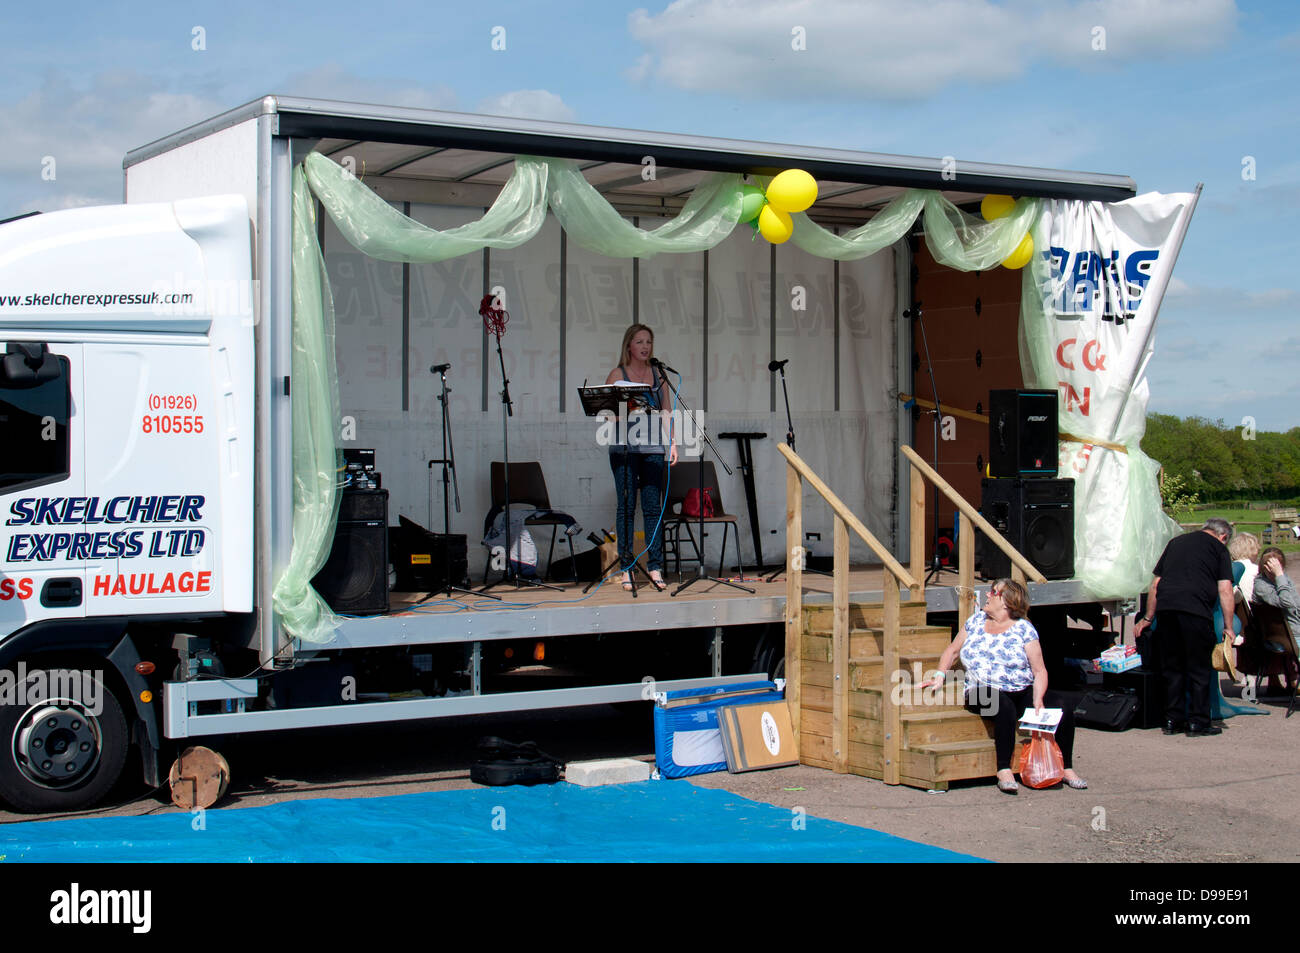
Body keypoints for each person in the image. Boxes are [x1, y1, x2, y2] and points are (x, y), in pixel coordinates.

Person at [922, 579, 1086, 794]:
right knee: (1003, 705)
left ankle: (1066, 768)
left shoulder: (1024, 629)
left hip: (1020, 688)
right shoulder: (975, 621)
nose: (988, 595)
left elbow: (1039, 671)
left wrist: (1038, 699)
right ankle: (1004, 769)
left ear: (1007, 602)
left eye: (993, 593)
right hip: (981, 690)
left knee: (1062, 705)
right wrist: (939, 674)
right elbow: (952, 651)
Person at [1134, 518, 1234, 737]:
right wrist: (1229, 626)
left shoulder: (1176, 543)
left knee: (1173, 668)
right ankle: (1198, 722)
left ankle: (1172, 719)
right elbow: (1225, 589)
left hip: (1167, 610)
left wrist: (1148, 618)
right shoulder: (1219, 549)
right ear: (1224, 536)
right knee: (1199, 670)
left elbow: (1156, 584)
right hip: (1196, 612)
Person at [604, 324, 677, 592]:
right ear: (629, 346)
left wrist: (673, 442)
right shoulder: (617, 374)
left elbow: (667, 410)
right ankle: (627, 568)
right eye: (639, 342)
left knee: (652, 508)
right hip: (624, 449)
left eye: (648, 341)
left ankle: (655, 566)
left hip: (653, 448)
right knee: (626, 508)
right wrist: (622, 409)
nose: (645, 346)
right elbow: (607, 415)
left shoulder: (658, 374)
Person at [1254, 547, 1300, 651]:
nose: (1273, 573)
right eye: (1270, 570)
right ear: (1263, 568)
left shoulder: (1285, 579)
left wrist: (1281, 577)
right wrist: (1279, 575)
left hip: (1294, 628)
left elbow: (1297, 606)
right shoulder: (1261, 585)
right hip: (1285, 636)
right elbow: (1287, 602)